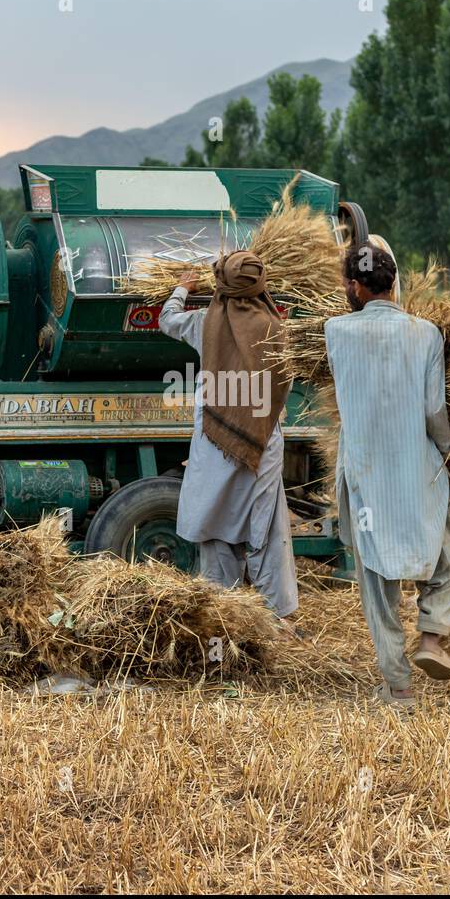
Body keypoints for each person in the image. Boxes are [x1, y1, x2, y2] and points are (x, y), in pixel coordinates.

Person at [324, 238, 450, 710]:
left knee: (376, 578)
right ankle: (431, 637)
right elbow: (434, 410)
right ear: (393, 282)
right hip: (417, 466)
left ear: (353, 286)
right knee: (445, 552)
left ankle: (399, 685)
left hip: (365, 472)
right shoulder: (426, 334)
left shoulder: (334, 331)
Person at [159, 251, 299, 625]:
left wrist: (181, 289)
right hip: (263, 441)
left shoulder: (204, 323)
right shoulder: (276, 329)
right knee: (265, 525)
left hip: (214, 439)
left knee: (216, 520)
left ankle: (222, 616)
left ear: (220, 285)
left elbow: (167, 320)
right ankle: (277, 619)